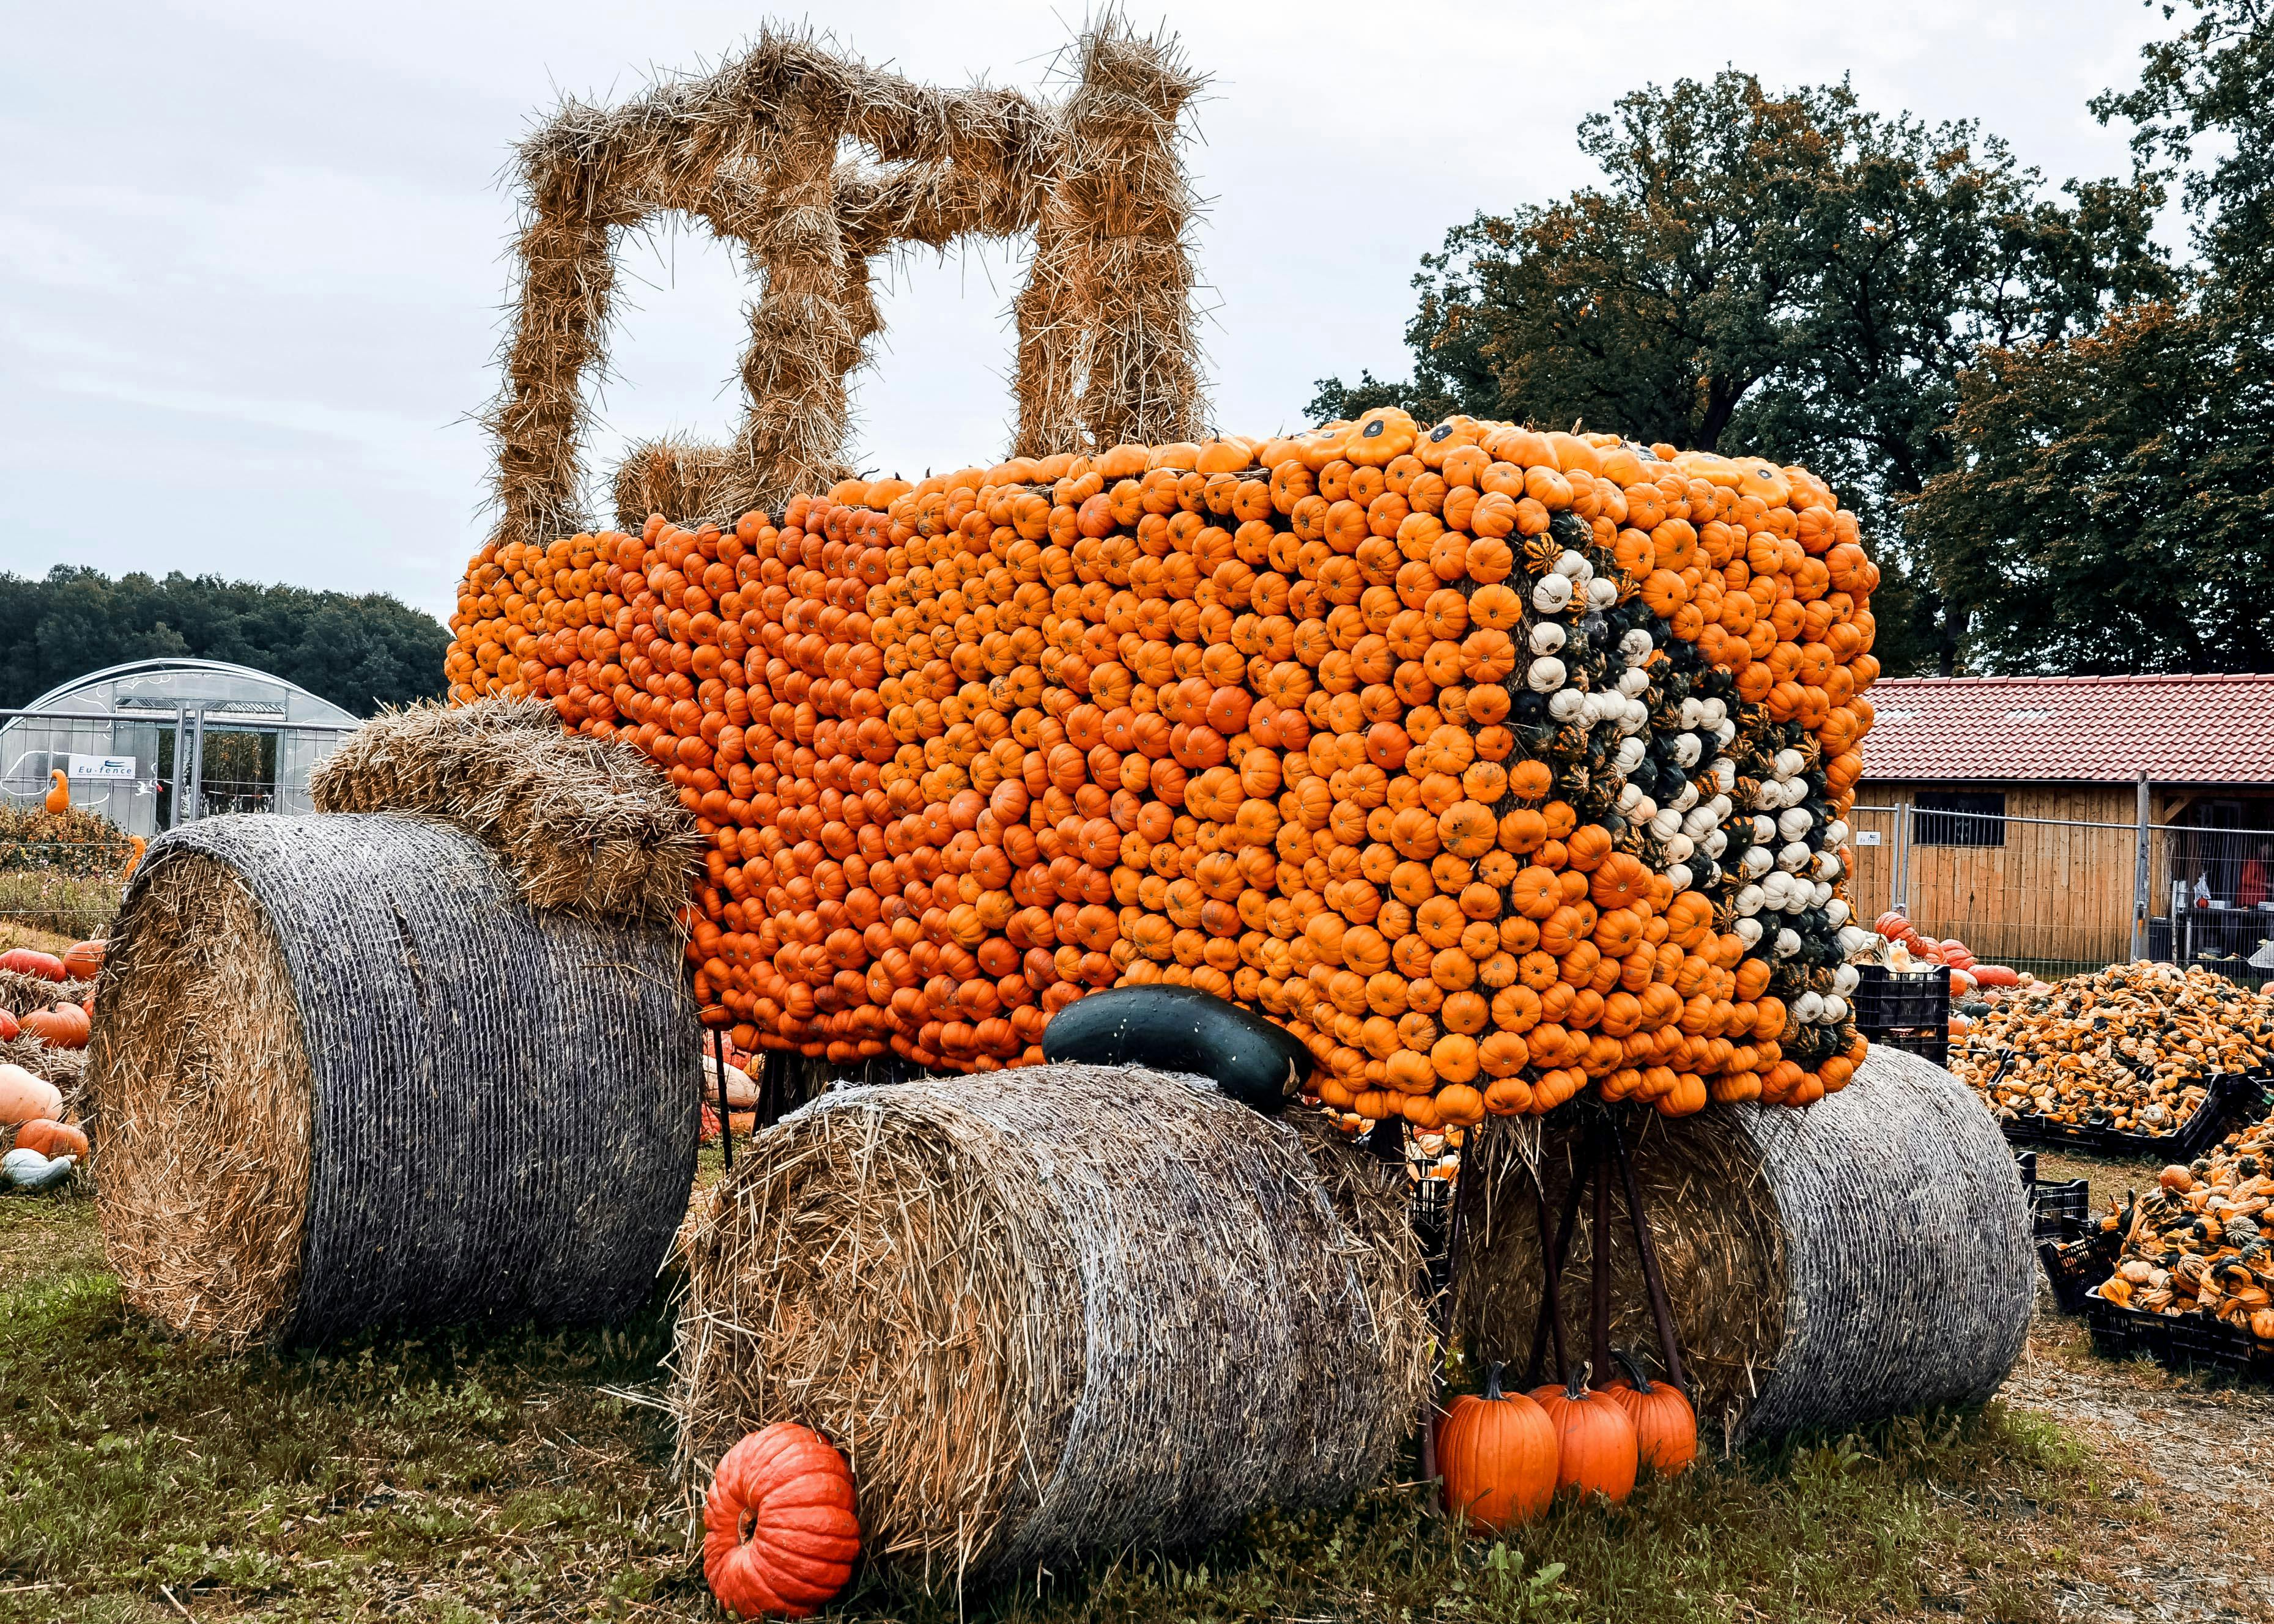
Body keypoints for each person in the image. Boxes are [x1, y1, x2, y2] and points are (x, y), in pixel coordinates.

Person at [2239, 840, 2273, 909]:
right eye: (2268, 848)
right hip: (2249, 902)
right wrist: (2266, 884)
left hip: (2257, 902)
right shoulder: (2254, 862)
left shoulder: (2262, 863)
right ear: (2261, 848)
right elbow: (2246, 880)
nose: (2271, 850)